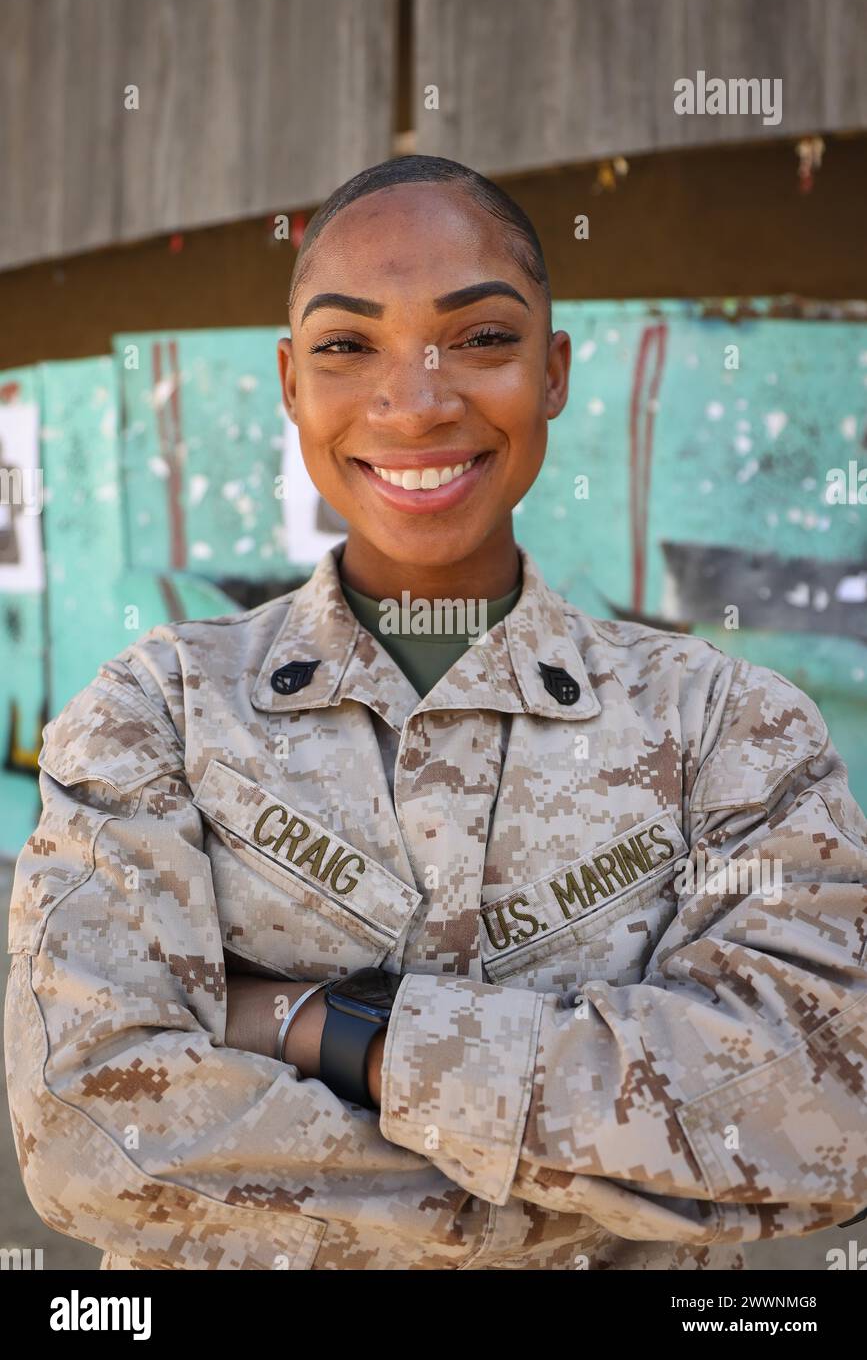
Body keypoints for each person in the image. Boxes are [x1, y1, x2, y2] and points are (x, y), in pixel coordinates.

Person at [5, 155, 866, 1272]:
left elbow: (822, 1115)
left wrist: (320, 1024)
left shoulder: (728, 730)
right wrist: (573, 1212)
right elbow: (89, 1126)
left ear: (553, 371)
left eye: (482, 338)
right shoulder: (156, 713)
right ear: (291, 382)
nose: (415, 401)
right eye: (347, 344)